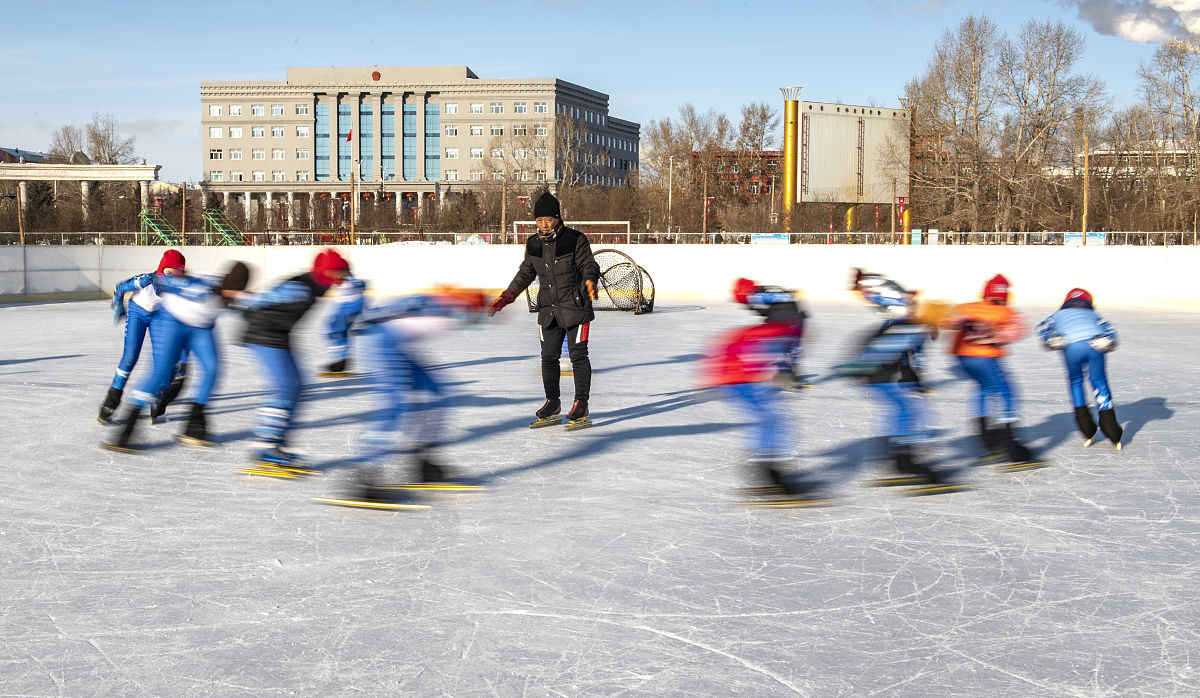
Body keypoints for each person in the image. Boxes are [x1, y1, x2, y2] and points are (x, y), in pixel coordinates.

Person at [331, 288, 488, 504]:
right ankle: (364, 475)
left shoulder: (438, 303)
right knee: (394, 407)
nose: (473, 322)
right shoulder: (444, 310)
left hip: (389, 341)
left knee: (436, 392)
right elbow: (381, 318)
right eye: (475, 315)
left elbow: (389, 313)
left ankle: (424, 463)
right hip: (379, 341)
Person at [103, 262, 249, 451]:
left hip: (201, 329)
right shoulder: (201, 287)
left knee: (212, 368)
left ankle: (195, 424)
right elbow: (158, 279)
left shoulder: (231, 293)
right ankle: (126, 430)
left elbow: (254, 303)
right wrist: (120, 299)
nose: (236, 296)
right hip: (174, 323)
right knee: (160, 372)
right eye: (234, 291)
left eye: (239, 291)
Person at [841, 271, 963, 492]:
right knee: (910, 411)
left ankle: (900, 461)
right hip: (878, 372)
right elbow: (910, 357)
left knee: (903, 411)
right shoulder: (913, 324)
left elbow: (909, 357)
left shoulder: (911, 322)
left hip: (878, 371)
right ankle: (905, 461)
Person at [487, 190, 600, 429]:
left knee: (578, 356)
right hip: (548, 310)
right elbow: (525, 274)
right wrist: (506, 297)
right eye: (539, 220)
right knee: (548, 358)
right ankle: (553, 402)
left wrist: (590, 280)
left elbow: (589, 265)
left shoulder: (575, 239)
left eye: (548, 219)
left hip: (576, 307)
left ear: (558, 218)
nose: (544, 224)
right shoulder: (534, 244)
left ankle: (581, 403)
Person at [232, 249, 350, 467]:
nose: (342, 279)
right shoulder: (302, 288)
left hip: (278, 334)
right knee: (284, 387)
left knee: (297, 386)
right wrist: (239, 298)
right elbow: (265, 297)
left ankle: (277, 441)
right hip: (264, 334)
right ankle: (265, 444)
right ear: (328, 272)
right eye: (340, 274)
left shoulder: (315, 284)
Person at [702, 304, 822, 505]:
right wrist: (787, 377)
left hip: (740, 381)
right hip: (738, 381)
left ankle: (768, 473)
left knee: (769, 420)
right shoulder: (779, 333)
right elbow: (770, 360)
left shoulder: (771, 332)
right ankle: (770, 475)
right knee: (770, 420)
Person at [943, 274, 1042, 467]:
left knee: (982, 388)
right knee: (1006, 391)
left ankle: (984, 435)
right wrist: (994, 336)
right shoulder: (1005, 312)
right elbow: (1018, 328)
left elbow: (948, 320)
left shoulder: (967, 307)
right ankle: (1009, 439)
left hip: (963, 358)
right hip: (986, 358)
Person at [98, 249, 188, 423]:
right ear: (161, 269)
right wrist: (118, 306)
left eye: (177, 274)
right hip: (138, 312)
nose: (171, 278)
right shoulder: (145, 280)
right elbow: (120, 287)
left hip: (159, 315)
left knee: (163, 359)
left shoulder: (180, 287)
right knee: (130, 356)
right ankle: (112, 398)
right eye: (168, 272)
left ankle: (159, 396)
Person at [1036, 288, 1123, 449]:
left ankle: (1085, 425)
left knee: (1075, 381)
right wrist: (1109, 340)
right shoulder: (1093, 315)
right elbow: (1109, 328)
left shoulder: (1056, 316)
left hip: (1071, 347)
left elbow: (1042, 328)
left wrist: (1051, 339)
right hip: (1094, 344)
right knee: (1098, 381)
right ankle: (1110, 425)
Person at [732, 277, 807, 390]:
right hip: (798, 320)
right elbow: (787, 297)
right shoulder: (766, 290)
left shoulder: (756, 295)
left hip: (784, 322)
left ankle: (785, 376)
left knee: (776, 348)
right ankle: (791, 375)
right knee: (792, 348)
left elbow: (766, 305)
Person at [321, 272, 368, 375]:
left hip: (348, 306)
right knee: (340, 331)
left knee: (334, 329)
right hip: (347, 306)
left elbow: (360, 285)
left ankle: (339, 359)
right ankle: (341, 359)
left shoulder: (350, 282)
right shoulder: (344, 281)